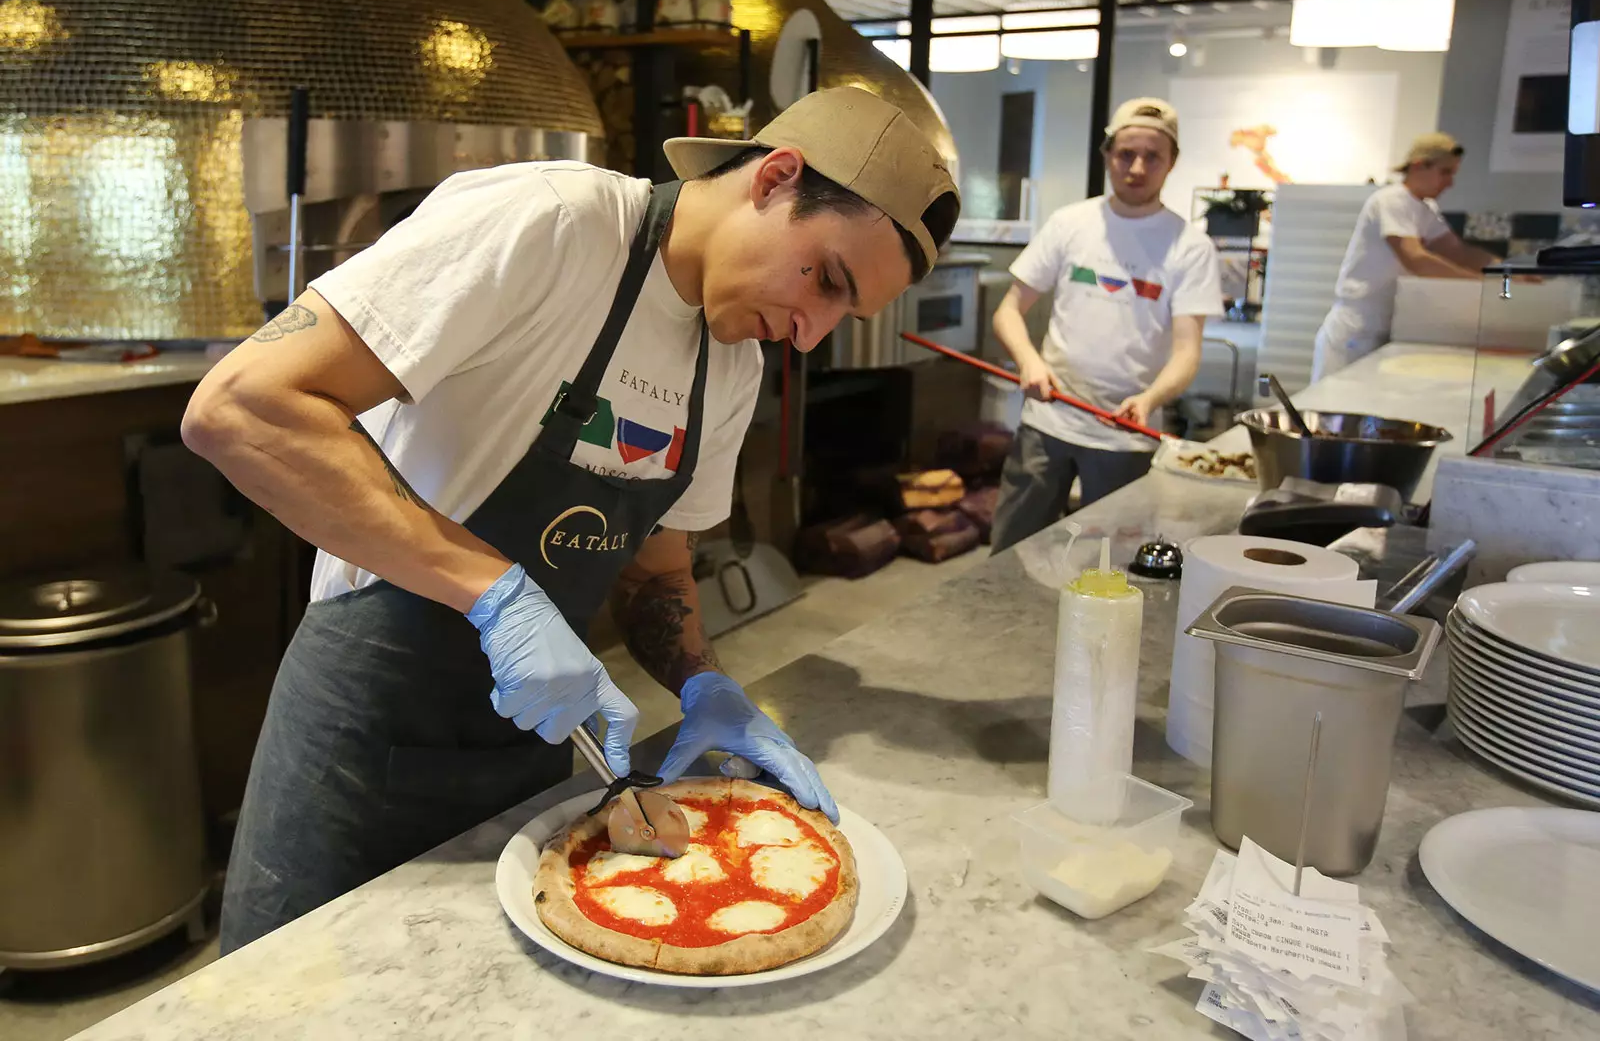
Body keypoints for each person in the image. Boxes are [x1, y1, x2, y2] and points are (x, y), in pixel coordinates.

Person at [182, 86, 960, 952]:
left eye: (840, 314)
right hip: (363, 738)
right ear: (775, 179)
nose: (808, 335)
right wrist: (496, 596)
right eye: (825, 276)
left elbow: (657, 568)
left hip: (541, 754)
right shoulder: (550, 225)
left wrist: (704, 682)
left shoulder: (731, 361)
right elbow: (241, 408)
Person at [989, 97, 1223, 554]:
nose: (1136, 167)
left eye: (1152, 156)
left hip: (1125, 434)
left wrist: (1151, 398)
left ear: (1171, 162)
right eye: (1125, 154)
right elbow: (1008, 310)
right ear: (1107, 156)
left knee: (1108, 566)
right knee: (1010, 553)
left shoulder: (1190, 247)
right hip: (1048, 420)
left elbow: (1187, 351)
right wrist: (1030, 362)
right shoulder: (1070, 223)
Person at [1312, 132, 1495, 379]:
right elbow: (1415, 259)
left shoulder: (1424, 209)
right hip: (1356, 328)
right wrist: (1483, 284)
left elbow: (1457, 252)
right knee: (1333, 412)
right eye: (1445, 172)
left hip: (1385, 325)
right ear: (1420, 165)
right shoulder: (1391, 199)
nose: (1450, 183)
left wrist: (1505, 272)